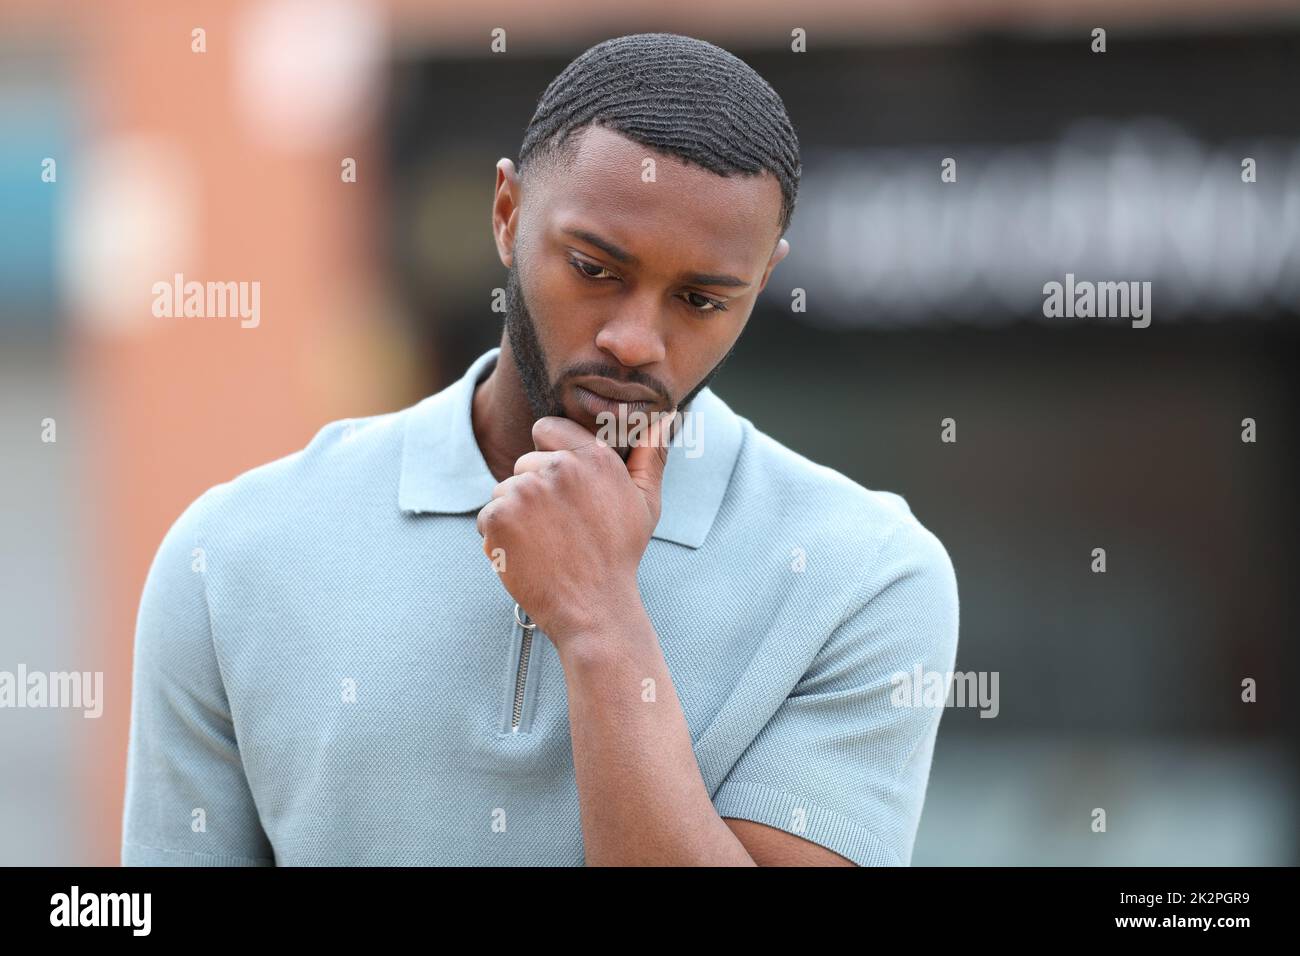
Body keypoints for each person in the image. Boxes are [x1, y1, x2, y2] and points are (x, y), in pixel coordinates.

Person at [122, 32, 958, 867]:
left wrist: (599, 621)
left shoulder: (862, 578)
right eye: (595, 269)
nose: (634, 341)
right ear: (507, 215)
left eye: (701, 300)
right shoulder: (232, 554)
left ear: (762, 282)